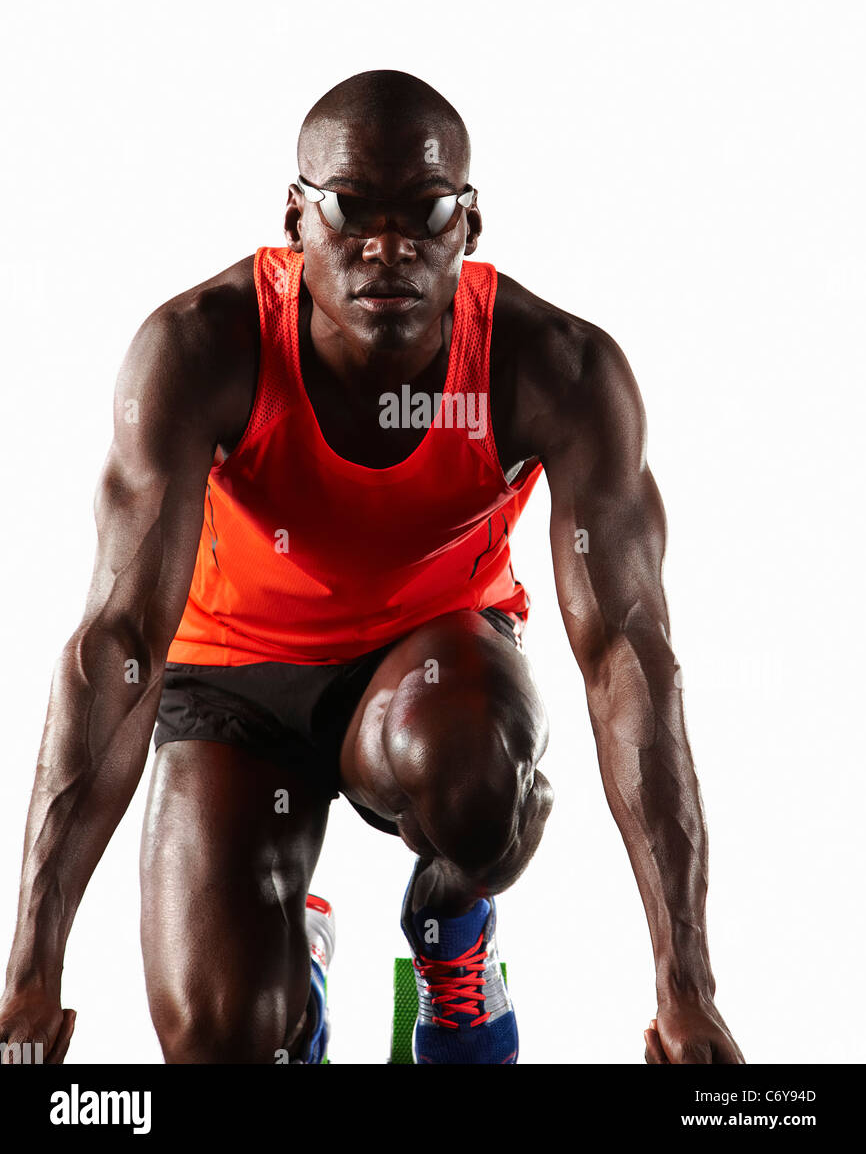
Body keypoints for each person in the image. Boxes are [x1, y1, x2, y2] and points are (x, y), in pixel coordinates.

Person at [0, 70, 743, 1065]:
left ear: (467, 223)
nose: (387, 246)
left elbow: (628, 657)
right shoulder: (198, 348)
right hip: (232, 683)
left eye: (424, 213)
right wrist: (31, 972)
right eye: (350, 210)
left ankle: (450, 939)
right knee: (219, 1039)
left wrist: (686, 988)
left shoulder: (556, 369)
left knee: (479, 780)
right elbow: (120, 642)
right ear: (295, 220)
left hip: (431, 666)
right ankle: (293, 977)